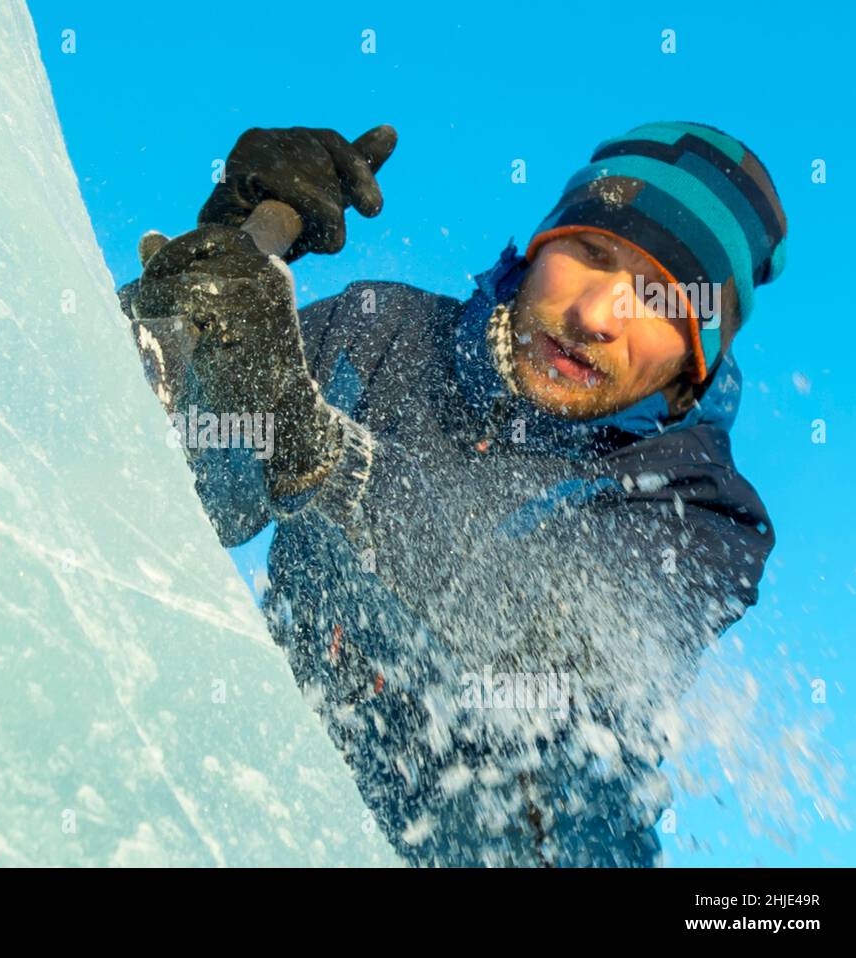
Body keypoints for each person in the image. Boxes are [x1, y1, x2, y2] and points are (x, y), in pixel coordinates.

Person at [120, 122, 786, 866]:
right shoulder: (380, 333)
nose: (596, 317)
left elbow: (541, 631)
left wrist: (325, 455)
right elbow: (183, 483)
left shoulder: (703, 511)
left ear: (697, 358)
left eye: (660, 298)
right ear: (540, 246)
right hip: (284, 823)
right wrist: (214, 278)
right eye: (592, 255)